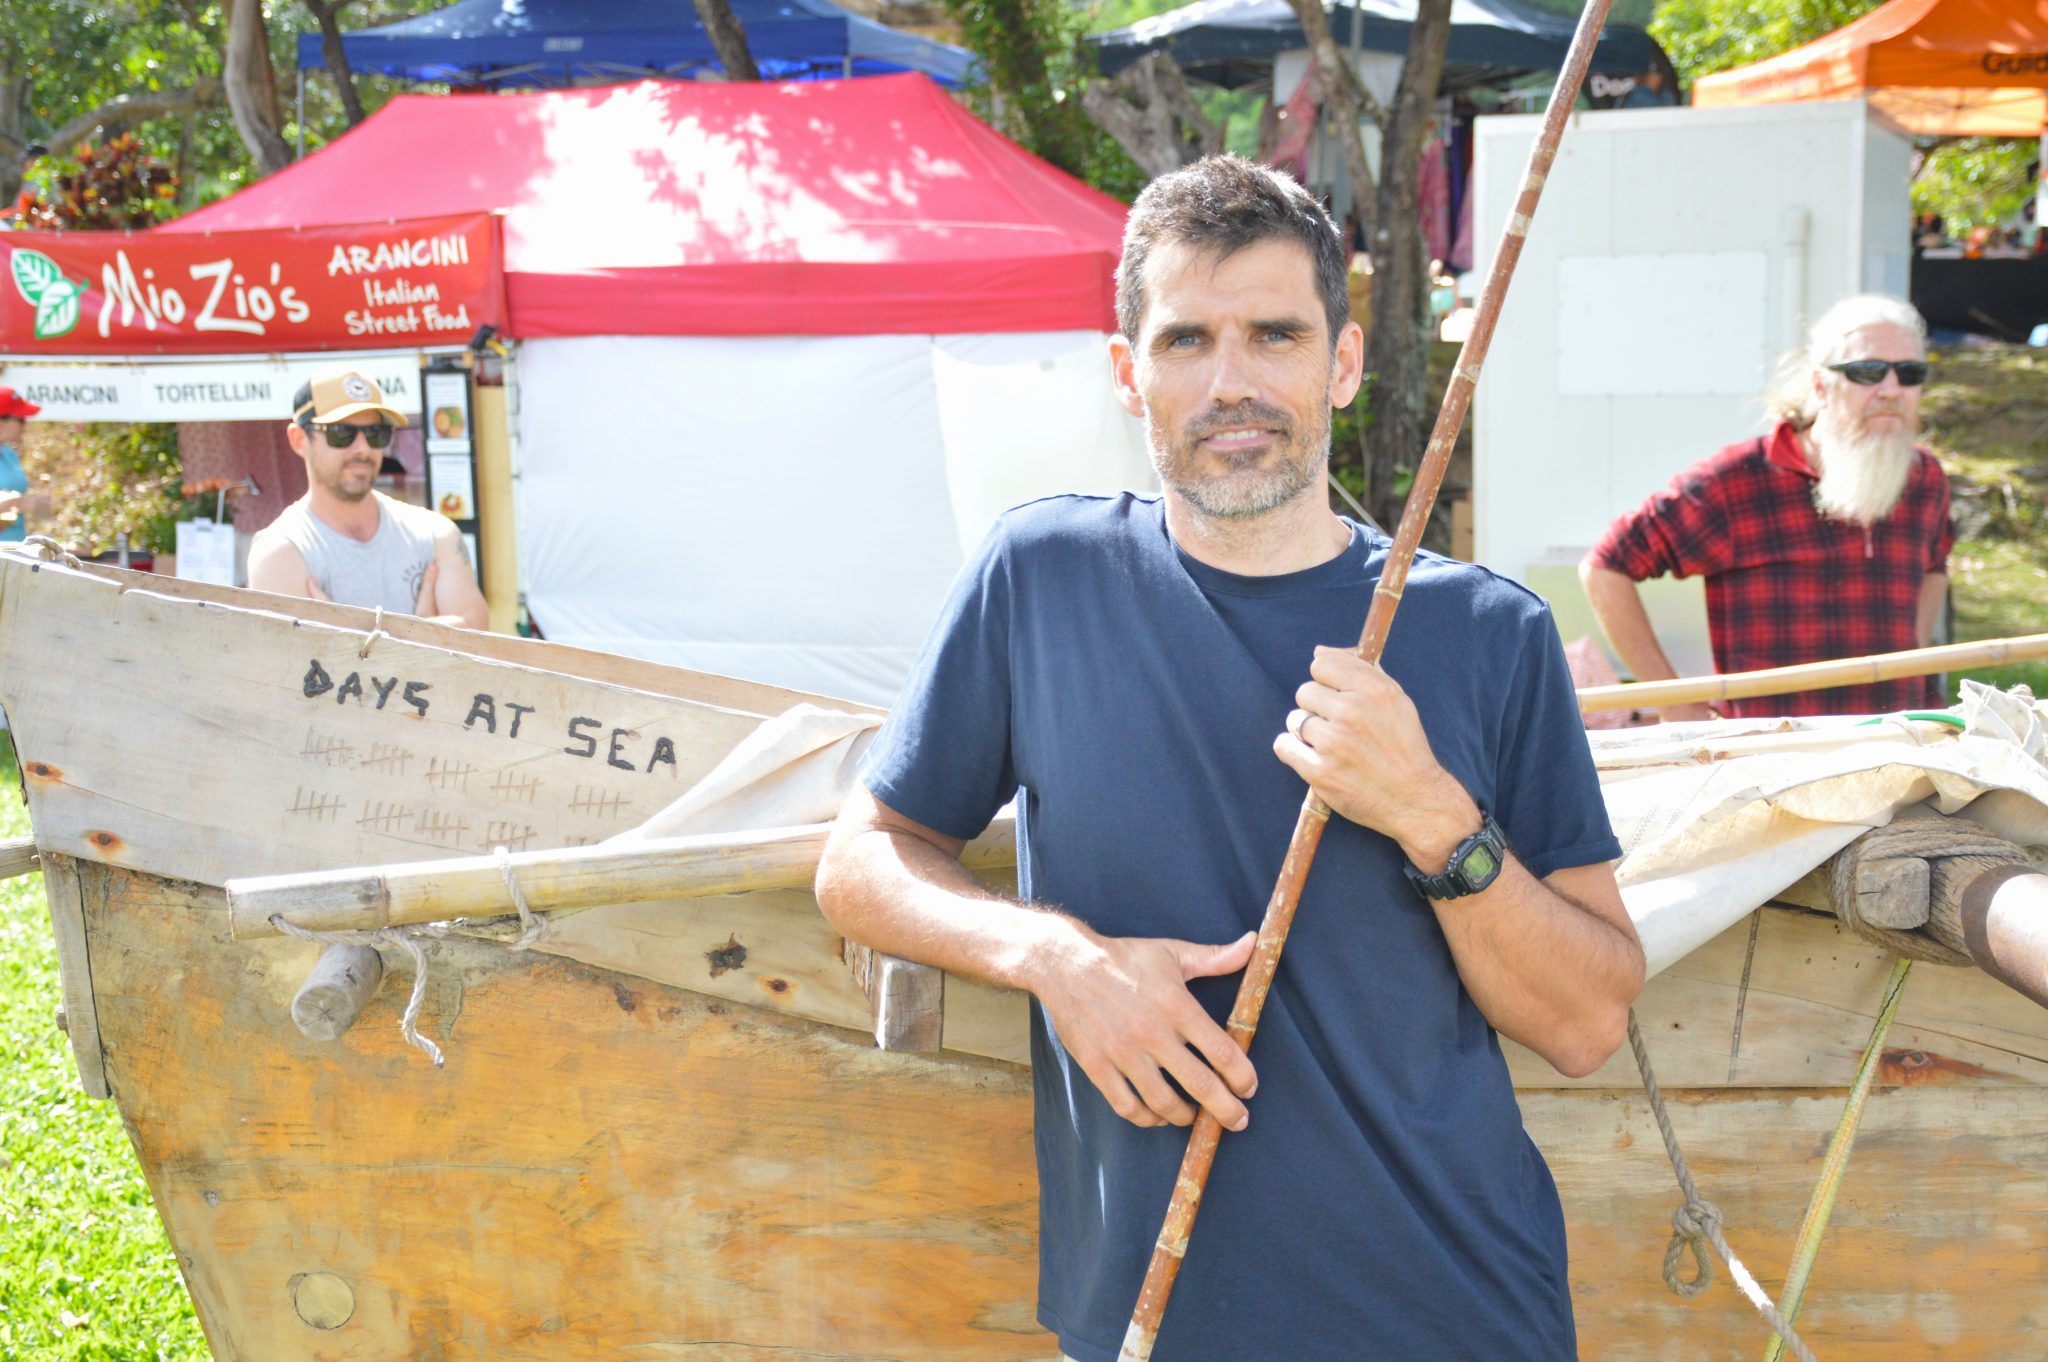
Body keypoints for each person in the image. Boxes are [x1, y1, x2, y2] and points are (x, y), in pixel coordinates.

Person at [815, 156, 1643, 1362]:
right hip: (1158, 1316)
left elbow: (1585, 1024)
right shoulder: (1040, 578)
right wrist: (1058, 960)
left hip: (1455, 1312)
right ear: (1125, 374)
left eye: (1273, 334)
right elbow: (862, 863)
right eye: (1185, 340)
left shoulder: (1481, 631)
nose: (1230, 382)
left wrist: (1431, 817)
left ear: (1341, 364)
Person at [1580, 294, 1952, 721]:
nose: (1891, 390)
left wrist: (1914, 655)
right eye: (1867, 372)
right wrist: (1674, 702)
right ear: (1820, 386)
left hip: (1900, 746)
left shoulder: (1925, 478)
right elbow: (1605, 567)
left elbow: (1934, 564)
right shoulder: (1736, 481)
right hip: (1774, 760)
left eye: (1909, 373)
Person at [248, 369, 488, 628]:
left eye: (376, 433)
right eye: (341, 432)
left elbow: (477, 633)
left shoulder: (435, 533)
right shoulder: (281, 550)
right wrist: (423, 635)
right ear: (299, 440)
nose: (363, 448)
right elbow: (285, 662)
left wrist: (352, 637)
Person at [0, 387, 52, 543]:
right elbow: (15, 504)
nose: (25, 426)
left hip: (14, 549)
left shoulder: (9, 454)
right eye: (21, 420)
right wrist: (17, 505)